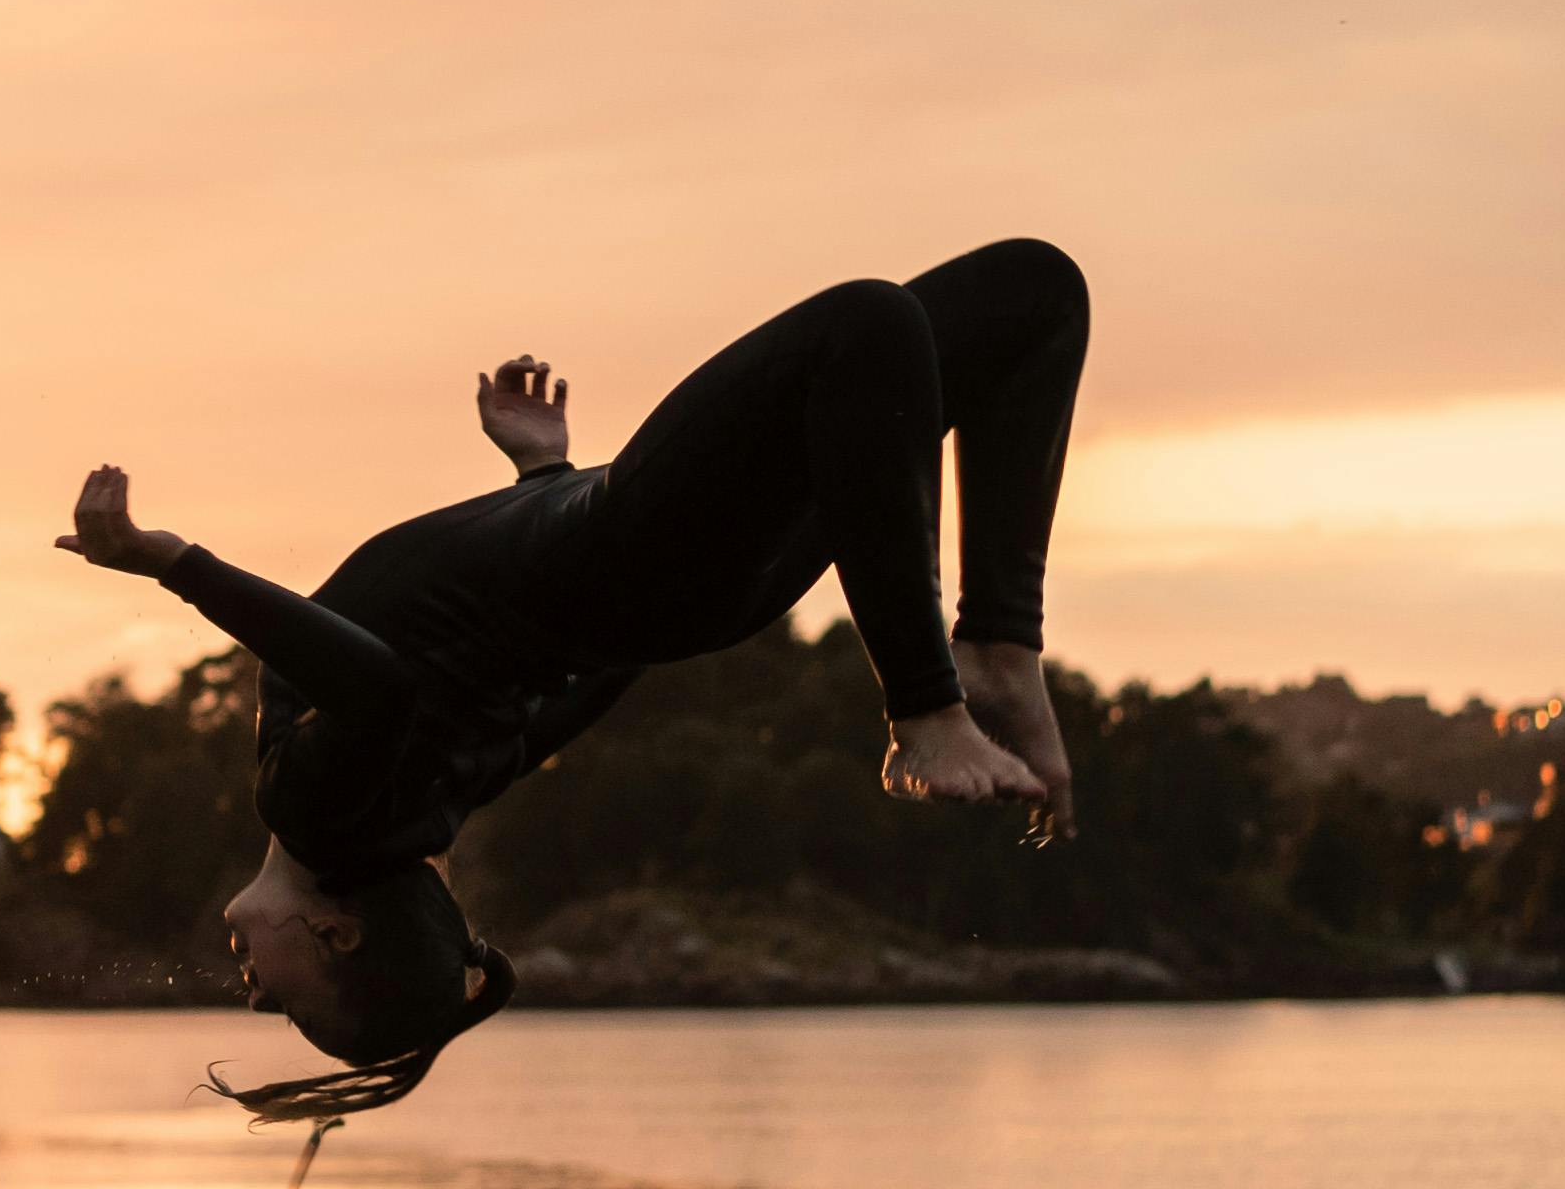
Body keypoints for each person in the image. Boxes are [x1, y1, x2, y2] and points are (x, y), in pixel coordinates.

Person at [65, 236, 1087, 1118]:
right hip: (645, 547)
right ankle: (937, 698)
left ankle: (994, 648)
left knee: (1024, 300)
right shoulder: (318, 809)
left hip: (689, 578)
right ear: (336, 932)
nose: (251, 995)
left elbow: (577, 660)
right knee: (879, 322)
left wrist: (540, 477)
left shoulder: (421, 802)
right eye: (285, 1004)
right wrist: (171, 563)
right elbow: (376, 680)